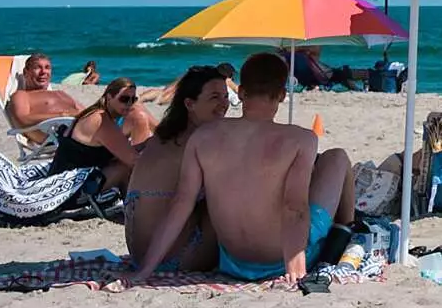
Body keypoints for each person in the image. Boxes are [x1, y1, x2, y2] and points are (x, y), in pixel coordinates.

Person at [129, 53, 358, 286]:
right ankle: (346, 232)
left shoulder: (202, 137)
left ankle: (344, 232)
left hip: (233, 262)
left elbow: (181, 204)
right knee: (336, 158)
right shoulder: (302, 139)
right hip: (281, 258)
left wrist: (146, 269)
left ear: (240, 92)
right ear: (281, 95)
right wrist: (295, 267)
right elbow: (294, 207)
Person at [126, 66, 231, 273]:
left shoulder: (164, 135)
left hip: (138, 253)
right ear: (190, 103)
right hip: (175, 259)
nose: (224, 104)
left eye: (226, 96)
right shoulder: (200, 142)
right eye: (215, 97)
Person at [49, 78, 155, 191]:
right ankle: (136, 206)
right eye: (124, 99)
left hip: (64, 179)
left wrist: (147, 144)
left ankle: (133, 204)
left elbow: (118, 153)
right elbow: (133, 161)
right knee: (125, 168)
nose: (129, 104)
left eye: (133, 100)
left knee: (127, 164)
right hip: (67, 189)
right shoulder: (100, 120)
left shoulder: (96, 112)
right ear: (109, 97)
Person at [5, 52, 82, 137]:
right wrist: (62, 115)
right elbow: (23, 119)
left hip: (82, 130)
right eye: (37, 67)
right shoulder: (22, 95)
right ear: (25, 72)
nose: (43, 72)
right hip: (62, 136)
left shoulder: (61, 93)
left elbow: (87, 112)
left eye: (47, 68)